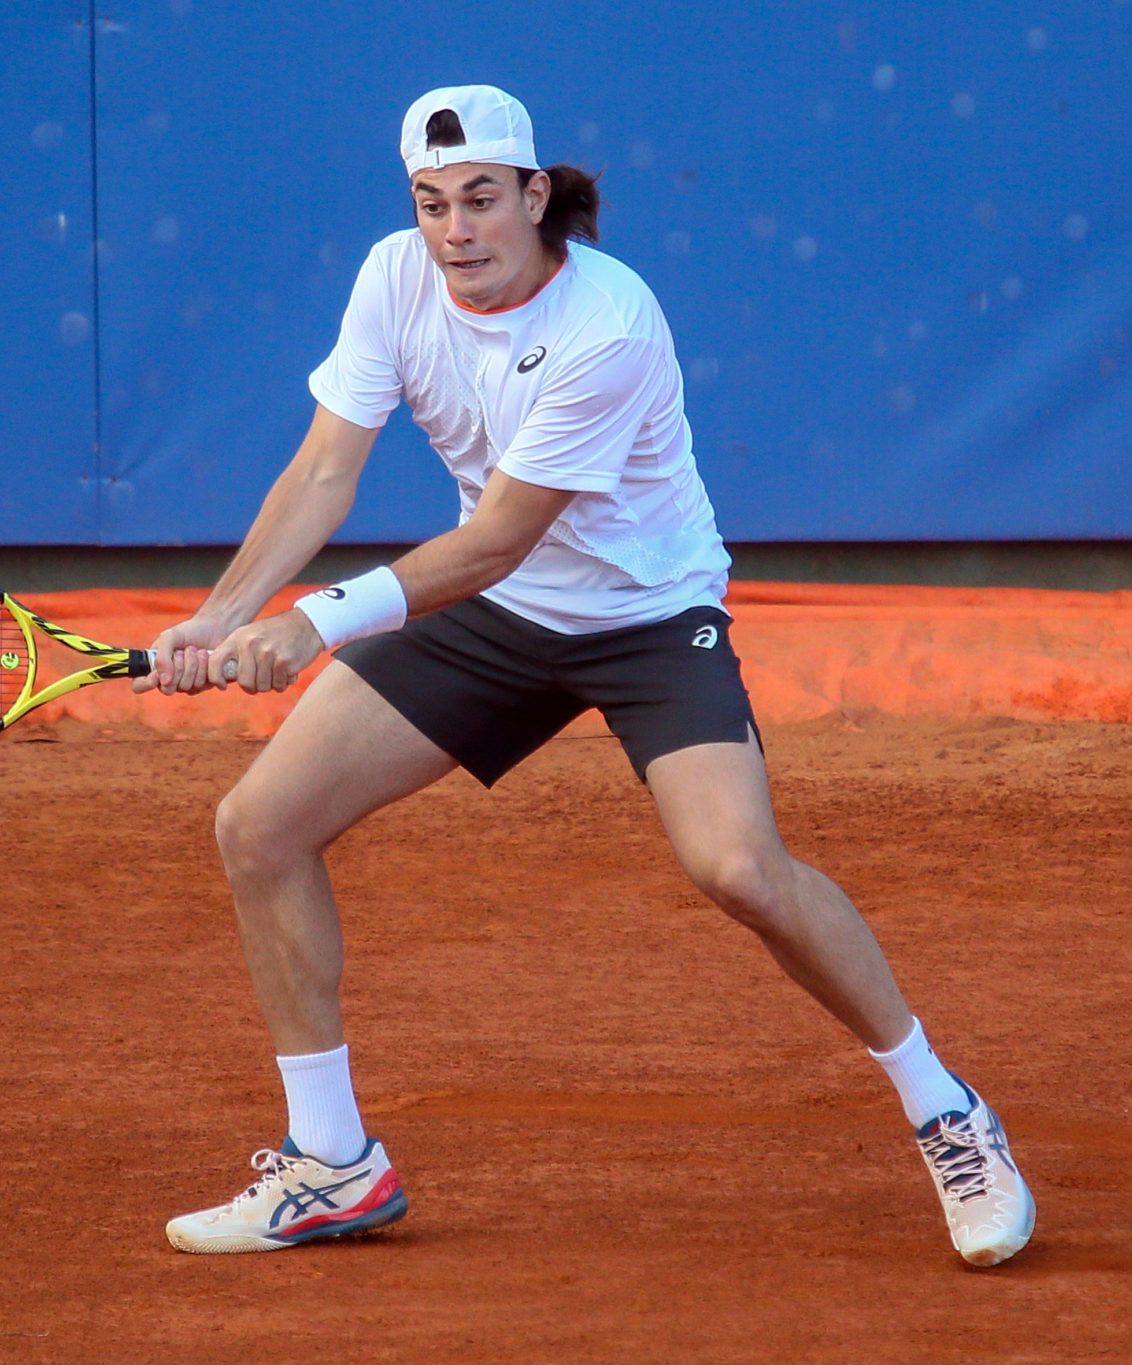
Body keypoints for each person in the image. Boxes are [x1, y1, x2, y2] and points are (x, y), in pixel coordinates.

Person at [133, 85, 1035, 1266]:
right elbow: (320, 473)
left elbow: (498, 537)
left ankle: (944, 1109)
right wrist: (219, 614)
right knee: (259, 828)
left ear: (533, 195)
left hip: (643, 616)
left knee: (738, 870)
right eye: (430, 203)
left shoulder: (607, 323)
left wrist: (316, 622)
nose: (455, 230)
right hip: (496, 618)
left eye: (479, 200)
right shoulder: (393, 278)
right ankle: (332, 1163)